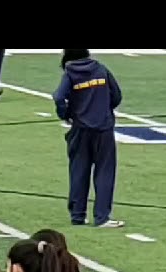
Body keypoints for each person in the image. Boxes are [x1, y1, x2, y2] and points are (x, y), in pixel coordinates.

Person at [52, 49, 125, 229]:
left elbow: (58, 97)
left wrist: (67, 114)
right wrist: (104, 110)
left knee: (79, 170)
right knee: (105, 171)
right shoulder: (101, 69)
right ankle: (102, 217)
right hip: (103, 128)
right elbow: (116, 95)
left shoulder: (70, 73)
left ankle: (78, 215)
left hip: (80, 128)